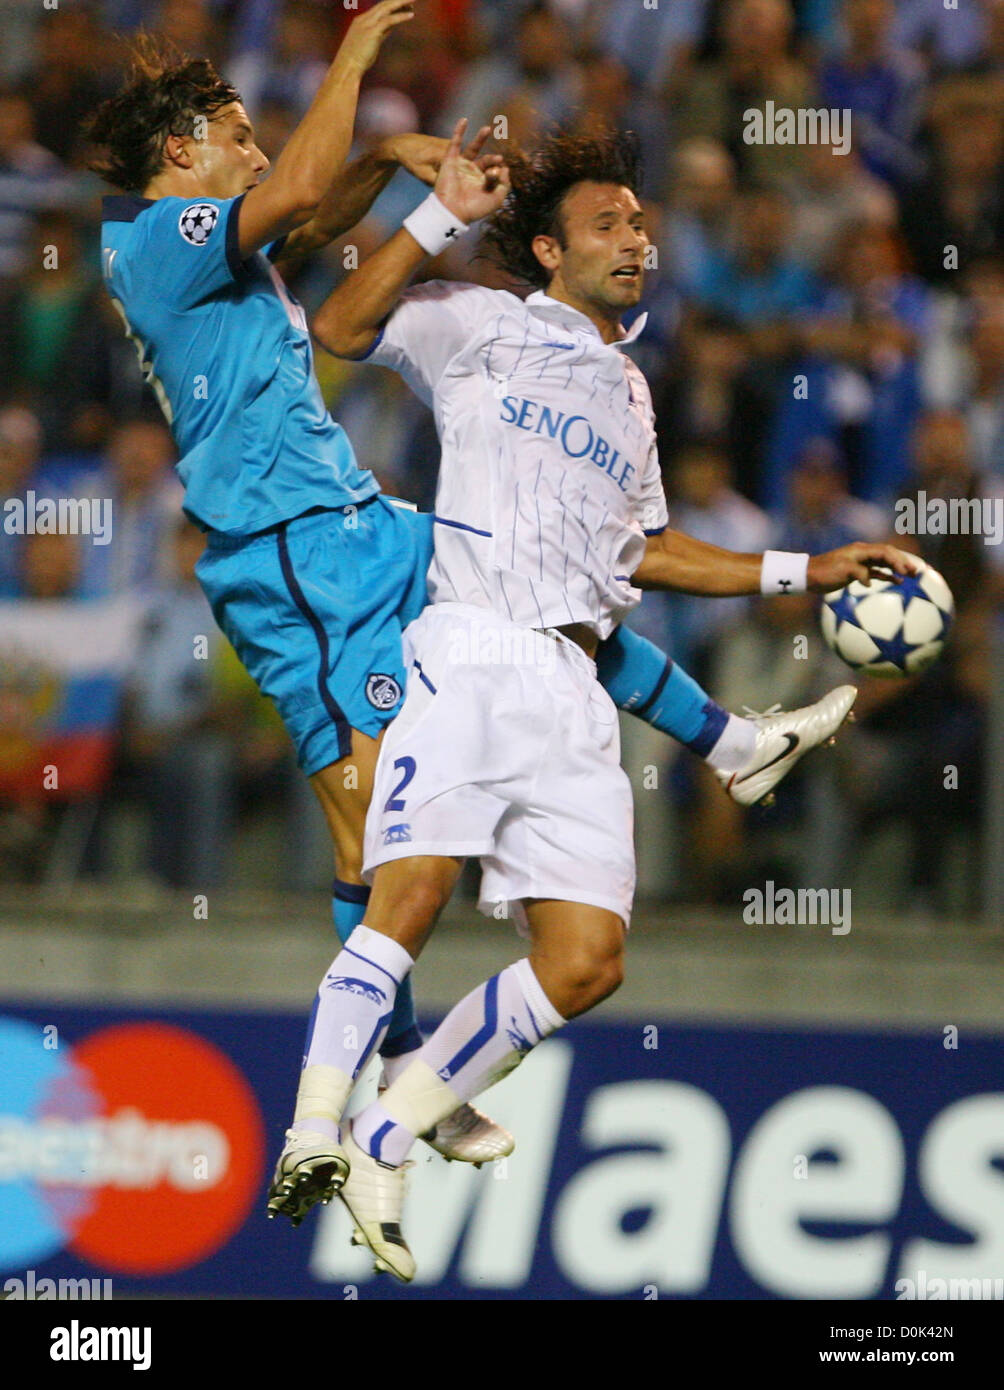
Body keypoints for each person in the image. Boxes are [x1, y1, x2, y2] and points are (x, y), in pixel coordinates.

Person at [289, 126, 917, 1280]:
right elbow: (339, 327)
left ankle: (393, 1123)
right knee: (410, 896)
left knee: (586, 964)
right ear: (544, 247)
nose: (638, 238)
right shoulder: (474, 321)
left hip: (574, 690)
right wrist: (435, 214)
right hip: (470, 653)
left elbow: (646, 547)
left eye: (639, 222)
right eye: (608, 225)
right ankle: (317, 1131)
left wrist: (801, 568)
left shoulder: (630, 388)